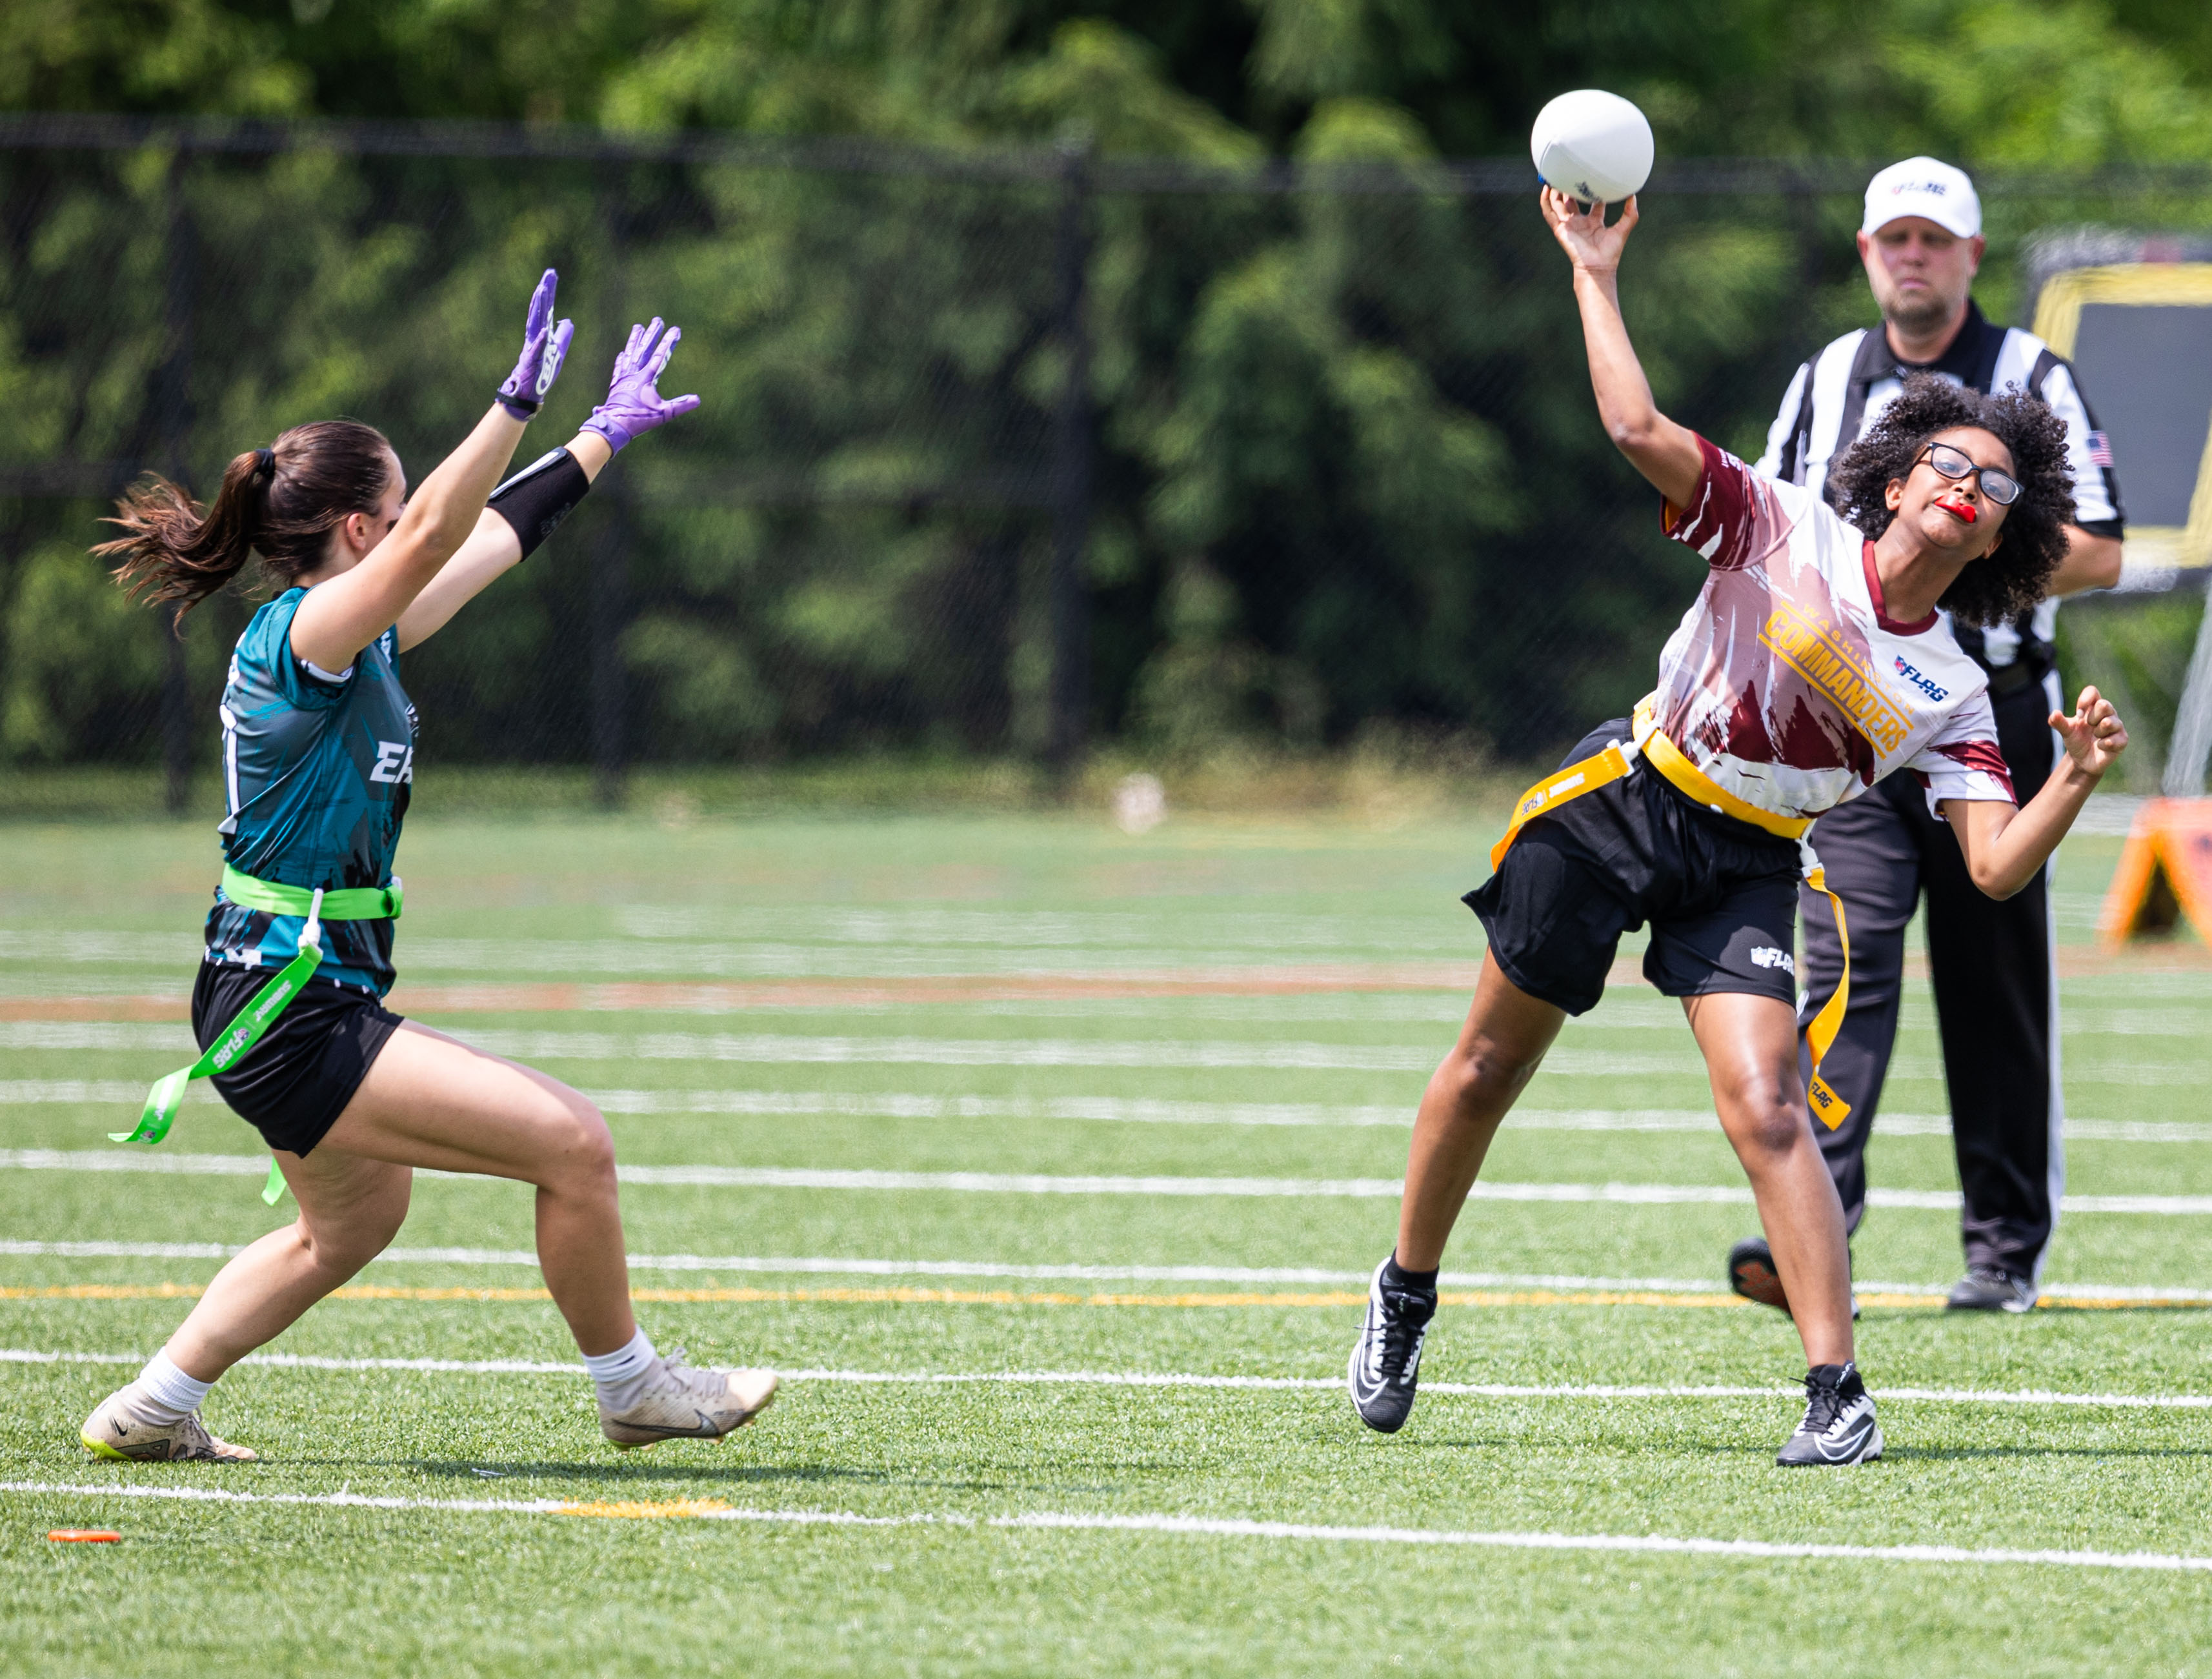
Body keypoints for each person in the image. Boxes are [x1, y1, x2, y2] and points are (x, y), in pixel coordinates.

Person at [1346, 186, 2129, 1467]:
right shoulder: (1779, 521)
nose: (1965, 483)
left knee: (1768, 1105)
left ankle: (1838, 1391)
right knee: (1488, 1065)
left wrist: (2075, 777)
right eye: (1947, 461)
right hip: (1630, 795)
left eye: (1993, 483)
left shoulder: (1954, 686)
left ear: (2005, 531)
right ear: (1897, 474)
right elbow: (1634, 426)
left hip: (1751, 860)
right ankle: (1405, 1290)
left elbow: (1992, 867)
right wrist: (1594, 271)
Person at [77, 274, 776, 1463]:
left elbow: (493, 533)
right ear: (360, 531)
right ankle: (634, 1389)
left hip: (284, 990)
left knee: (349, 1226)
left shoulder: (361, 637)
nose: (416, 522)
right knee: (575, 1144)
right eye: (398, 507)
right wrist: (511, 403)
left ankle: (148, 1408)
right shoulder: (304, 635)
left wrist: (598, 437)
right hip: (289, 1003)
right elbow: (435, 533)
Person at [1729, 159, 2126, 1316]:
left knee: (1992, 978)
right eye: (1893, 237)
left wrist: (1963, 561)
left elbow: (2101, 546)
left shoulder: (2032, 374)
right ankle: (1816, 1224)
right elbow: (1779, 524)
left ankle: (2002, 1246)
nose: (1913, 255)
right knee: (1841, 969)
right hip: (1850, 720)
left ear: (1971, 257)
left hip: (1986, 708)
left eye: (1933, 239)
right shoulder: (1825, 378)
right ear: (1867, 254)